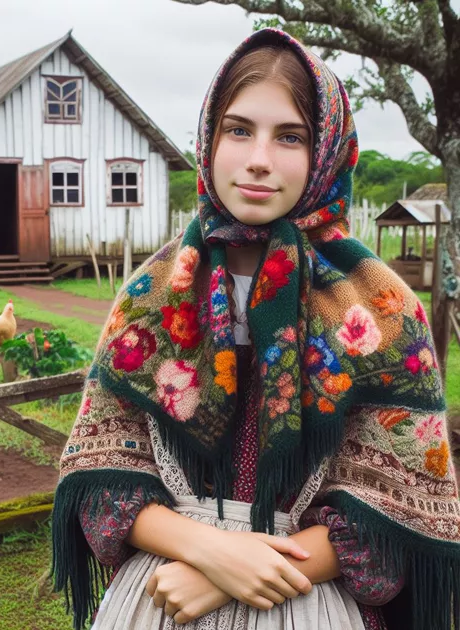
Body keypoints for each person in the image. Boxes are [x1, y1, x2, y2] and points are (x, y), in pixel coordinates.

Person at [49, 28, 460, 630]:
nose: (259, 158)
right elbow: (101, 475)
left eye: (289, 136)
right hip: (162, 597)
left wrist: (242, 572)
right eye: (238, 130)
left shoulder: (381, 311)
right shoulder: (151, 294)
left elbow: (398, 513)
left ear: (325, 153)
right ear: (209, 140)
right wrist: (210, 551)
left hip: (310, 603)